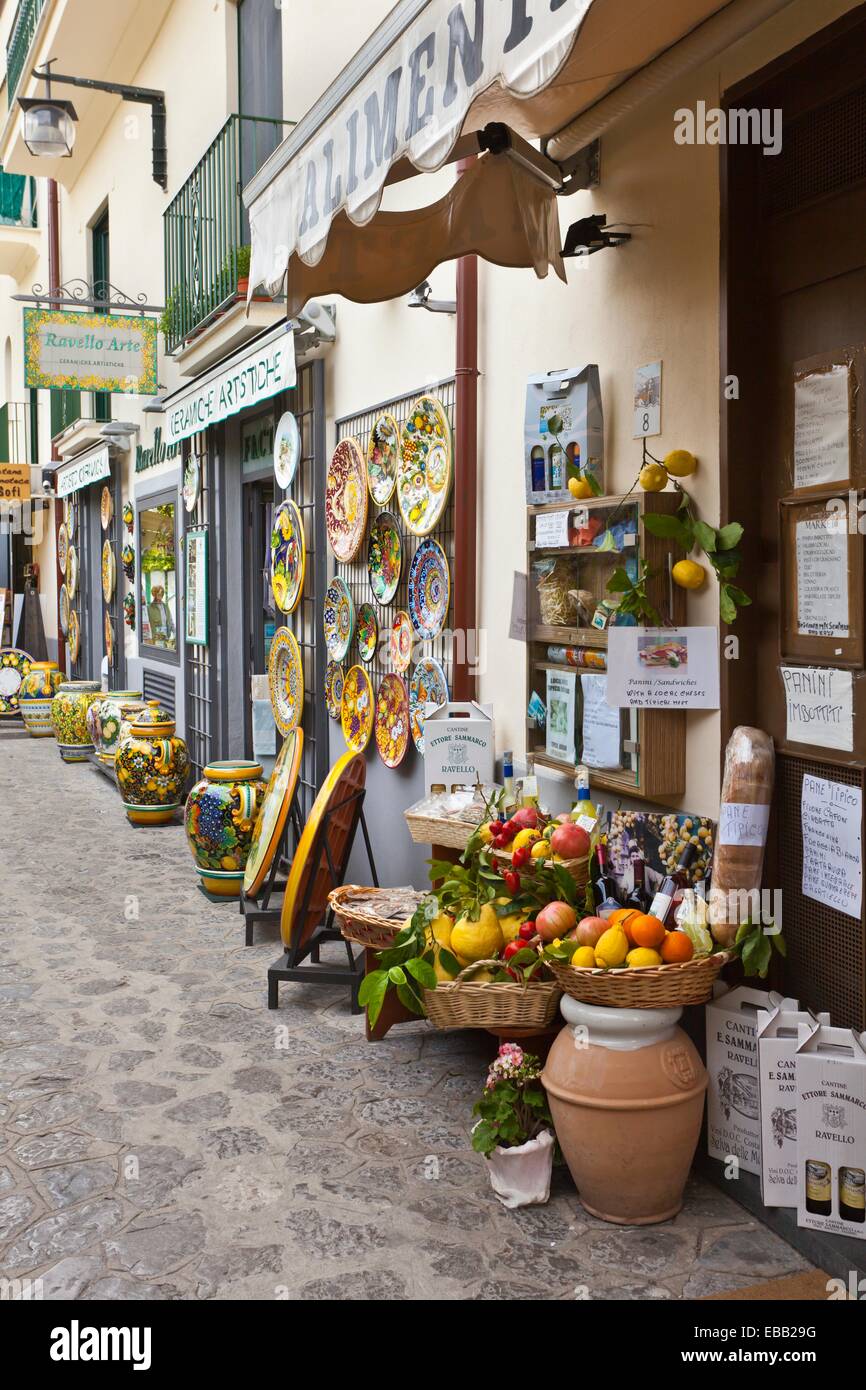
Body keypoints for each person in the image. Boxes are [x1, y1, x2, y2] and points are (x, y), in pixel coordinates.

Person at [147, 583, 175, 648]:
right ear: (154, 595)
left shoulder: (165, 607)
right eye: (158, 594)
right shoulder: (149, 608)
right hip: (155, 640)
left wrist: (175, 633)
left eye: (161, 594)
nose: (160, 596)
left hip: (165, 638)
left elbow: (170, 621)